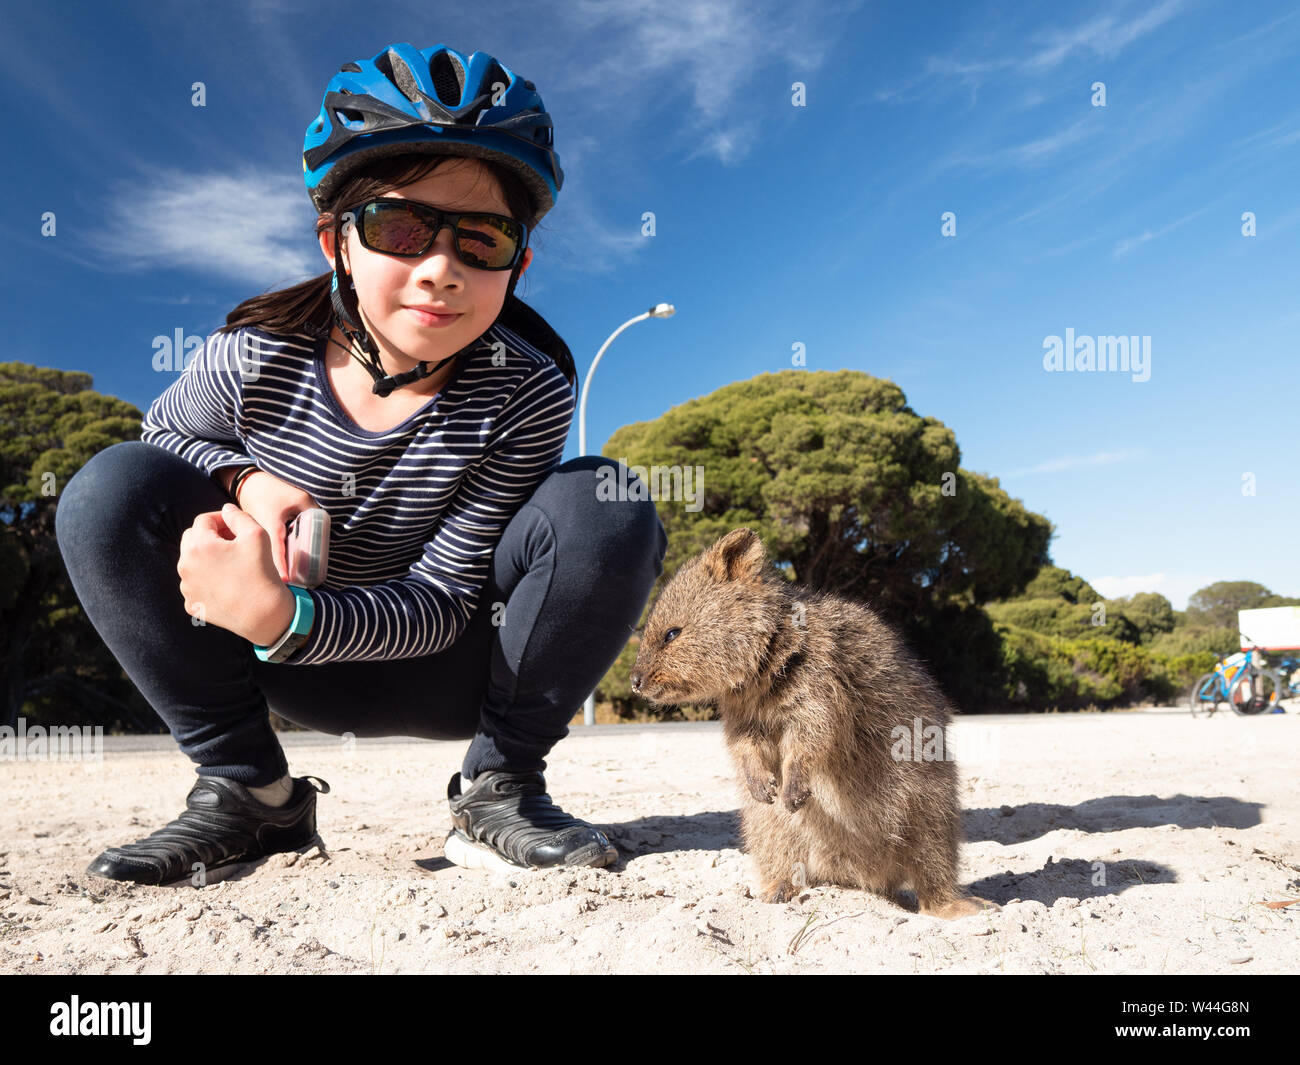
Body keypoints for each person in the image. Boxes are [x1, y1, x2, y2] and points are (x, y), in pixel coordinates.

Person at [54, 42, 666, 885]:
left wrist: (289, 617)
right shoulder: (254, 354)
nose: (440, 268)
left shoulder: (524, 392)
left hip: (447, 665)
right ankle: (249, 793)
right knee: (107, 490)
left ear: (519, 263)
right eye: (399, 226)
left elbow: (451, 599)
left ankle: (500, 789)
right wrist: (248, 480)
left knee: (607, 499)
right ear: (336, 241)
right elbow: (163, 438)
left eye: (480, 238)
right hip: (267, 670)